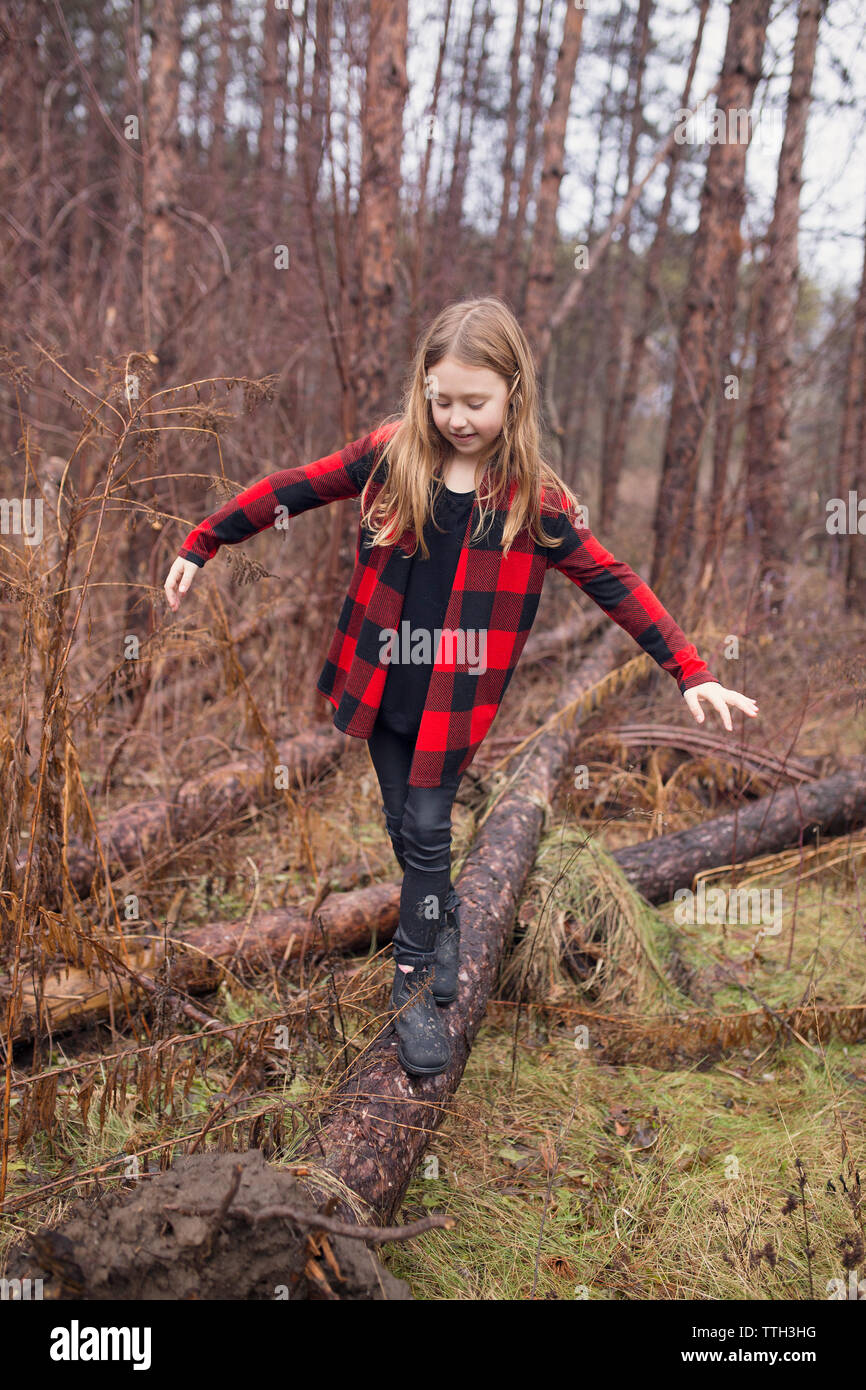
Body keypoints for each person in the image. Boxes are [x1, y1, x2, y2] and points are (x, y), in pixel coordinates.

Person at [164, 296, 758, 1079]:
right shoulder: (391, 454)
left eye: (475, 402)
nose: (456, 417)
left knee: (429, 826)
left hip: (453, 702)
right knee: (405, 829)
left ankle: (412, 992)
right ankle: (436, 913)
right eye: (441, 399)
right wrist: (204, 541)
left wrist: (691, 668)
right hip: (378, 680)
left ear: (513, 392)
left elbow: (612, 580)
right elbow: (291, 488)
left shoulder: (533, 501)